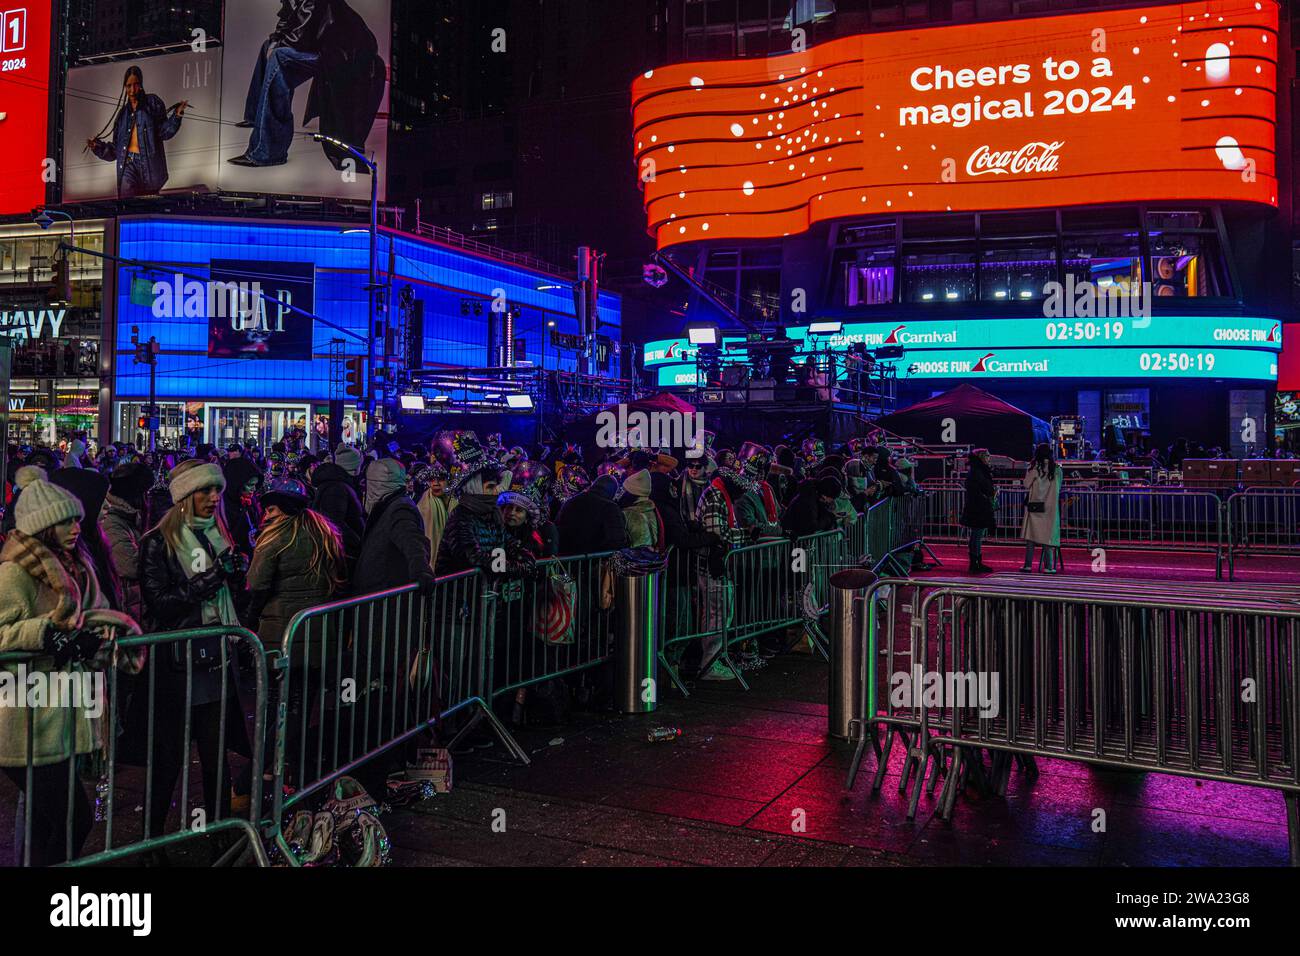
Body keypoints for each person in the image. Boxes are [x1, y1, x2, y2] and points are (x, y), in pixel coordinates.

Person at [0, 469, 141, 865]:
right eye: (65, 520)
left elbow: (91, 615)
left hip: (56, 715)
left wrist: (102, 633)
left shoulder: (76, 565)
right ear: (43, 527)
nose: (75, 527)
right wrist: (49, 633)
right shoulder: (15, 572)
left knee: (52, 825)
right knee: (73, 819)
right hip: (24, 719)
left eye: (77, 518)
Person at [138, 459, 252, 840]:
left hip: (215, 660)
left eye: (217, 490)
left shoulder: (218, 534)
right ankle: (151, 841)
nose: (214, 498)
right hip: (175, 666)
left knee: (216, 758)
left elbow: (231, 600)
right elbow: (160, 603)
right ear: (184, 496)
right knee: (167, 760)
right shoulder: (158, 541)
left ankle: (219, 836)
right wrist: (214, 577)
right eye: (205, 491)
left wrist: (236, 578)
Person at [230, 0, 384, 170]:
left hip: (344, 56)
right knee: (268, 47)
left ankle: (266, 152)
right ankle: (255, 116)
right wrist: (275, 41)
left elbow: (299, 37)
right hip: (324, 47)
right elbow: (287, 20)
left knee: (279, 57)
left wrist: (278, 46)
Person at [87, 65, 188, 198]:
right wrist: (98, 147)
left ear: (141, 85)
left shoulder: (152, 103)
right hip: (128, 163)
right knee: (126, 203)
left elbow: (164, 132)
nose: (132, 89)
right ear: (125, 87)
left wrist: (177, 115)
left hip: (149, 165)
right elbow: (116, 150)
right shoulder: (122, 115)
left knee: (147, 206)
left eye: (135, 85)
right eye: (129, 86)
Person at [352, 458, 434, 597]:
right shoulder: (388, 505)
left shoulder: (400, 508)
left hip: (384, 597)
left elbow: (412, 540)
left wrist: (421, 570)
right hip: (378, 594)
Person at [556, 474, 630, 557]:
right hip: (594, 563)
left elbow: (558, 527)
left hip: (566, 560)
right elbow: (616, 542)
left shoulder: (571, 502)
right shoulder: (610, 507)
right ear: (612, 493)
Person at [1021, 442, 1063, 573]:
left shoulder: (1035, 469)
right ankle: (1049, 566)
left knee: (1031, 536)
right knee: (1047, 536)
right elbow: (1059, 487)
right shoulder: (1056, 469)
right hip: (1050, 507)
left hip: (1035, 506)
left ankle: (1028, 565)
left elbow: (1026, 484)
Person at [961, 448, 997, 574]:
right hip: (978, 506)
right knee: (977, 535)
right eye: (987, 456)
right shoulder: (978, 471)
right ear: (982, 457)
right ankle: (975, 562)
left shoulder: (976, 470)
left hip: (976, 505)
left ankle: (976, 561)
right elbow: (983, 487)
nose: (989, 458)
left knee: (976, 535)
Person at [416, 463, 454, 573]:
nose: (436, 484)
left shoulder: (455, 501)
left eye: (440, 479)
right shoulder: (424, 505)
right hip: (433, 566)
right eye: (432, 479)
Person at [620, 469, 662, 550]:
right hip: (652, 557)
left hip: (635, 559)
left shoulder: (628, 513)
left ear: (631, 493)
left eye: (624, 490)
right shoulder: (652, 509)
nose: (621, 494)